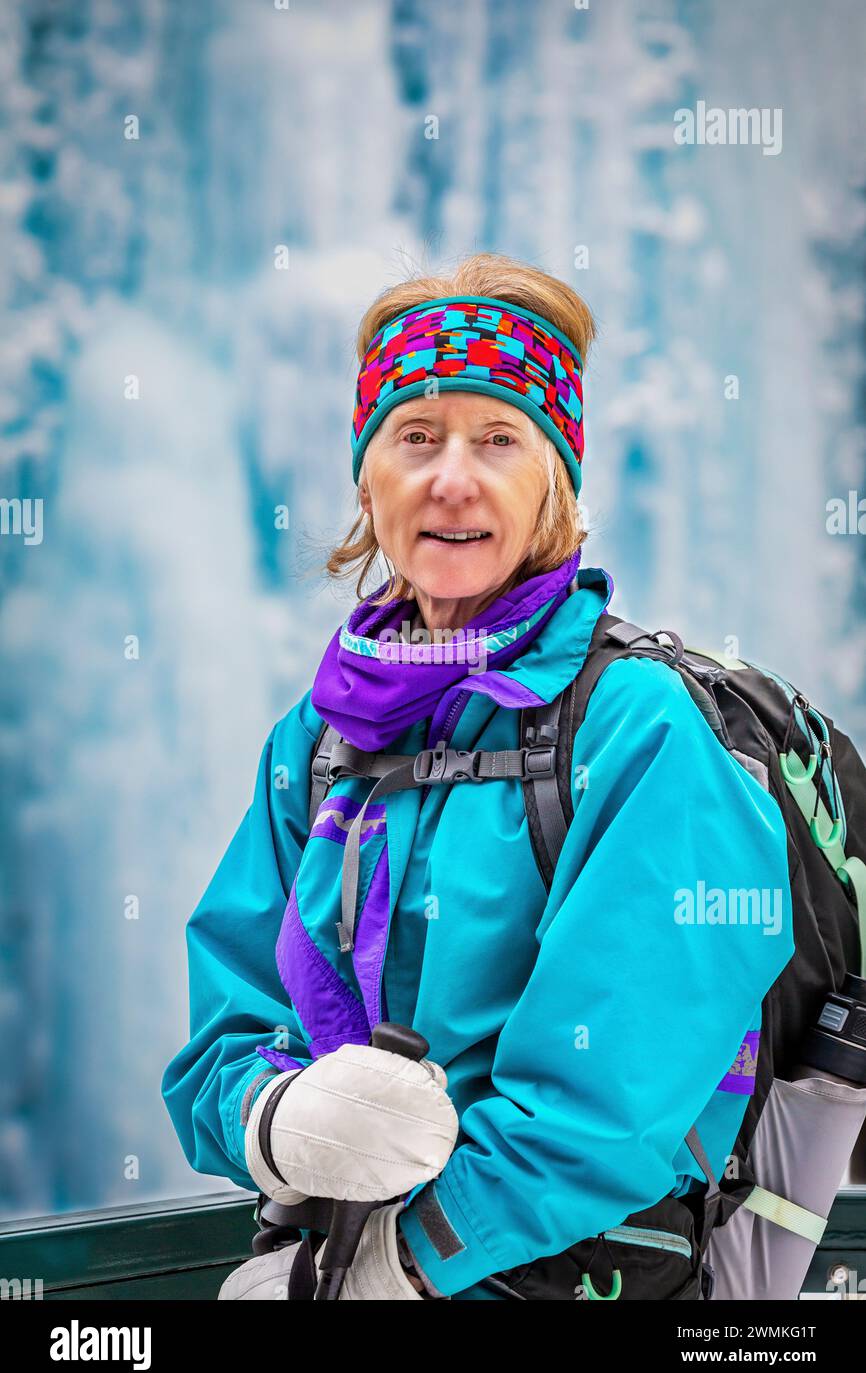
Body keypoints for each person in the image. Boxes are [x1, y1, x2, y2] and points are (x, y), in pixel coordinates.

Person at [161, 252, 795, 1300]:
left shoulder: (637, 730)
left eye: (498, 438)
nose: (451, 478)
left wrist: (396, 1268)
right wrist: (277, 1124)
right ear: (369, 476)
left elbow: (605, 1110)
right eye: (414, 436)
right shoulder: (315, 739)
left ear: (554, 478)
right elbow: (223, 1038)